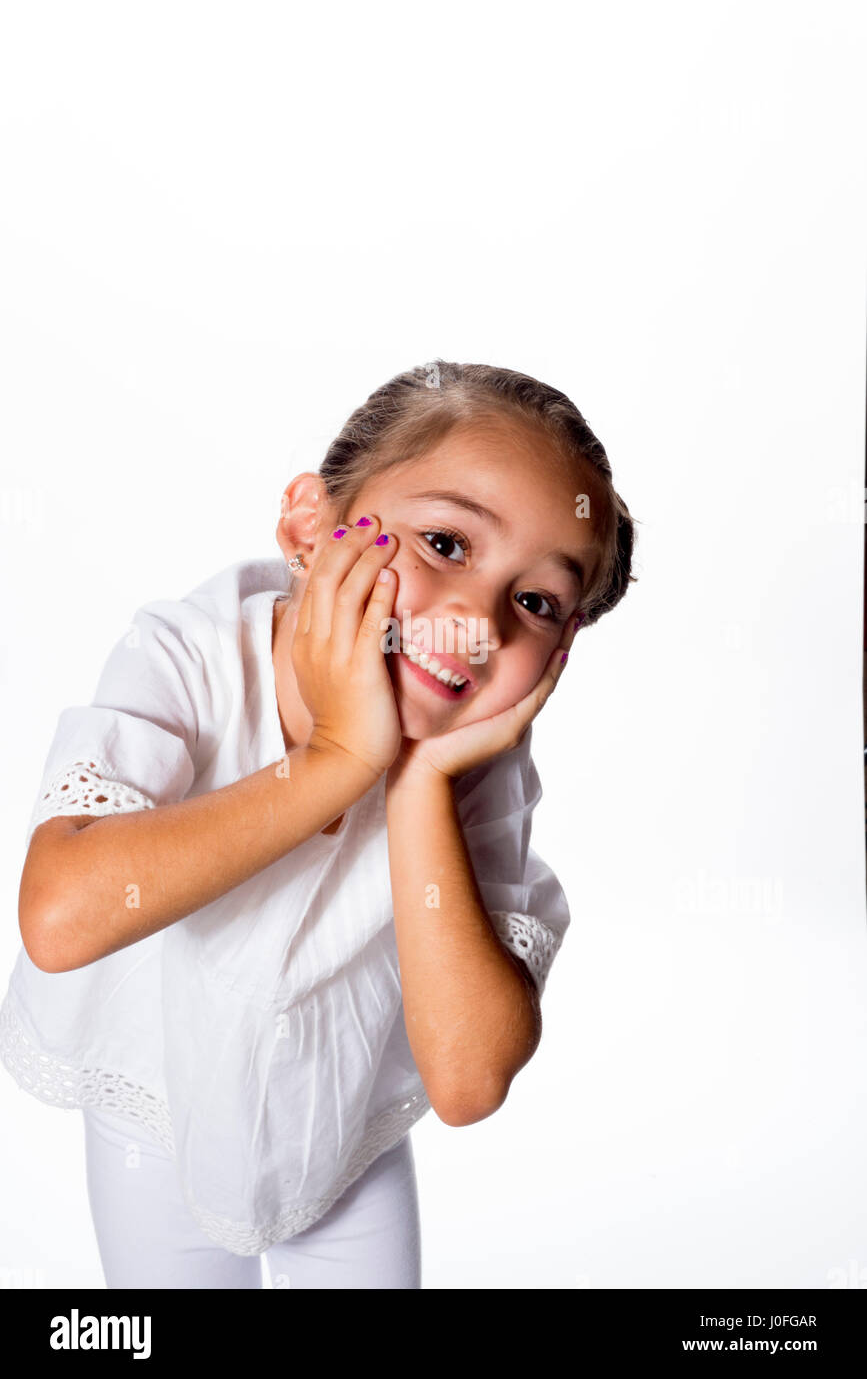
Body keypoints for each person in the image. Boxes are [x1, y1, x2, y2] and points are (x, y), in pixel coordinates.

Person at [0, 358, 637, 1288]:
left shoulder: (474, 767)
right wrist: (340, 759)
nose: (475, 621)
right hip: (158, 1112)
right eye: (447, 545)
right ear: (311, 525)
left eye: (535, 601)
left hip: (341, 1136)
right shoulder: (189, 654)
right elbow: (60, 921)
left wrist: (415, 785)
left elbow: (466, 1080)